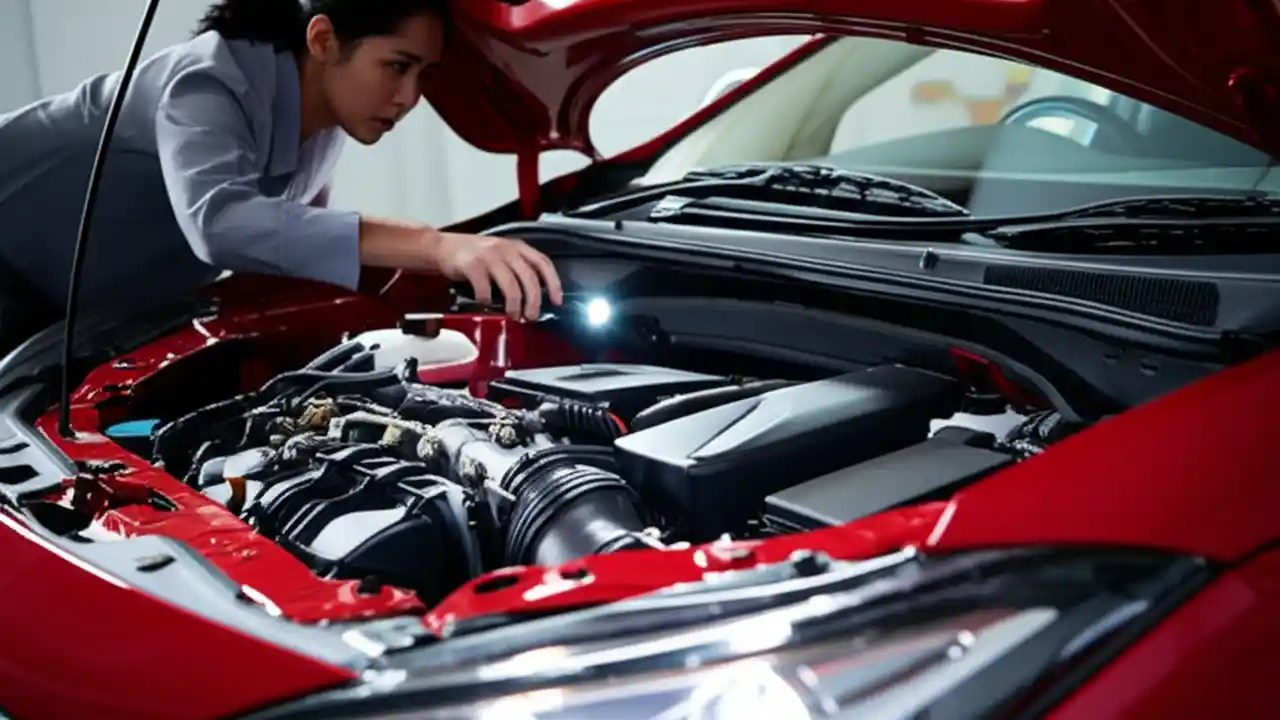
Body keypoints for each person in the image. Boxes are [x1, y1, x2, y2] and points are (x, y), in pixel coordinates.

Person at [0, 0, 562, 353]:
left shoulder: (325, 125)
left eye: (424, 73)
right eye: (397, 65)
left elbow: (294, 243)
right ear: (323, 40)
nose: (410, 97)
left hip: (77, 312)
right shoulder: (208, 81)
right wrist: (434, 247)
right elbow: (222, 223)